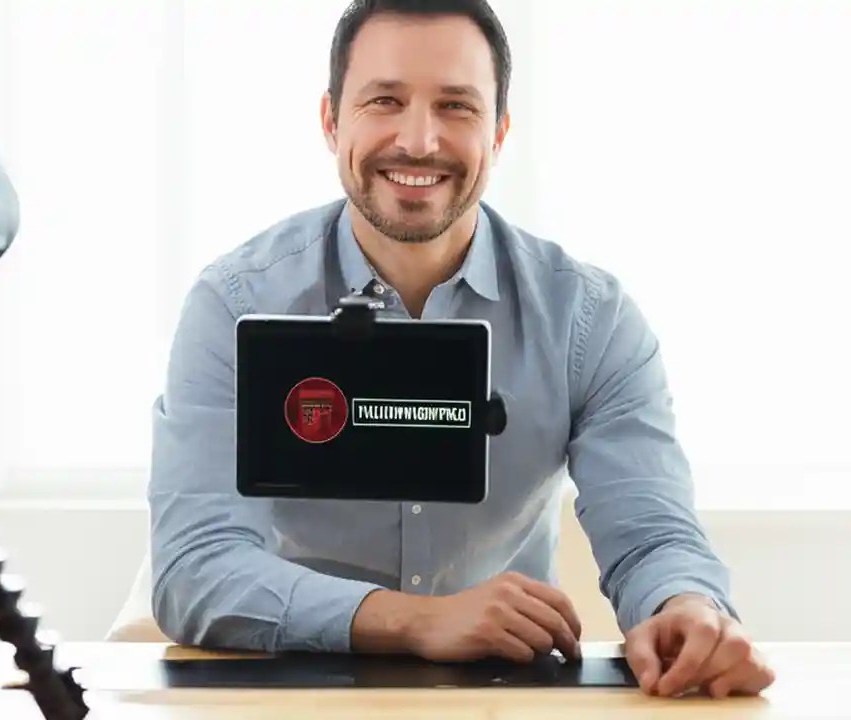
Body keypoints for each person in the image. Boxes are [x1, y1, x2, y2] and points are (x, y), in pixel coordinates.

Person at [147, 0, 775, 700]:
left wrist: (685, 608)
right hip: (291, 689)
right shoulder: (236, 303)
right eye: (385, 100)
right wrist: (416, 622)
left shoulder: (588, 320)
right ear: (331, 121)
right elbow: (196, 569)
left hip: (507, 694)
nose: (418, 140)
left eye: (457, 107)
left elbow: (653, 537)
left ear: (499, 132)